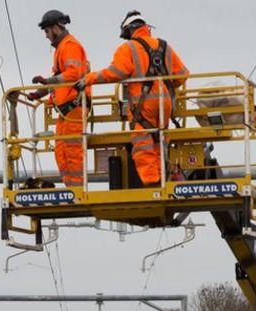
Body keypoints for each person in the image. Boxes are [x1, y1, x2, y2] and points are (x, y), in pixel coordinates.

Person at [75, 10, 189, 187]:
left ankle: (152, 184)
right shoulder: (164, 46)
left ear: (129, 30)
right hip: (165, 104)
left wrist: (88, 79)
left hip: (143, 105)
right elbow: (182, 75)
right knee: (159, 142)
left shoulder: (128, 48)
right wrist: (163, 86)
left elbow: (116, 72)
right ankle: (162, 181)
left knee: (143, 146)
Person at [29, 9, 91, 190]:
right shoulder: (61, 49)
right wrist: (39, 93)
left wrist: (47, 81)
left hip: (74, 107)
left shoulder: (70, 46)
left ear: (56, 27)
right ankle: (71, 189)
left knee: (72, 151)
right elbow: (59, 78)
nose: (46, 35)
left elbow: (73, 74)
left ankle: (78, 191)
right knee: (61, 151)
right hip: (66, 111)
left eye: (47, 31)